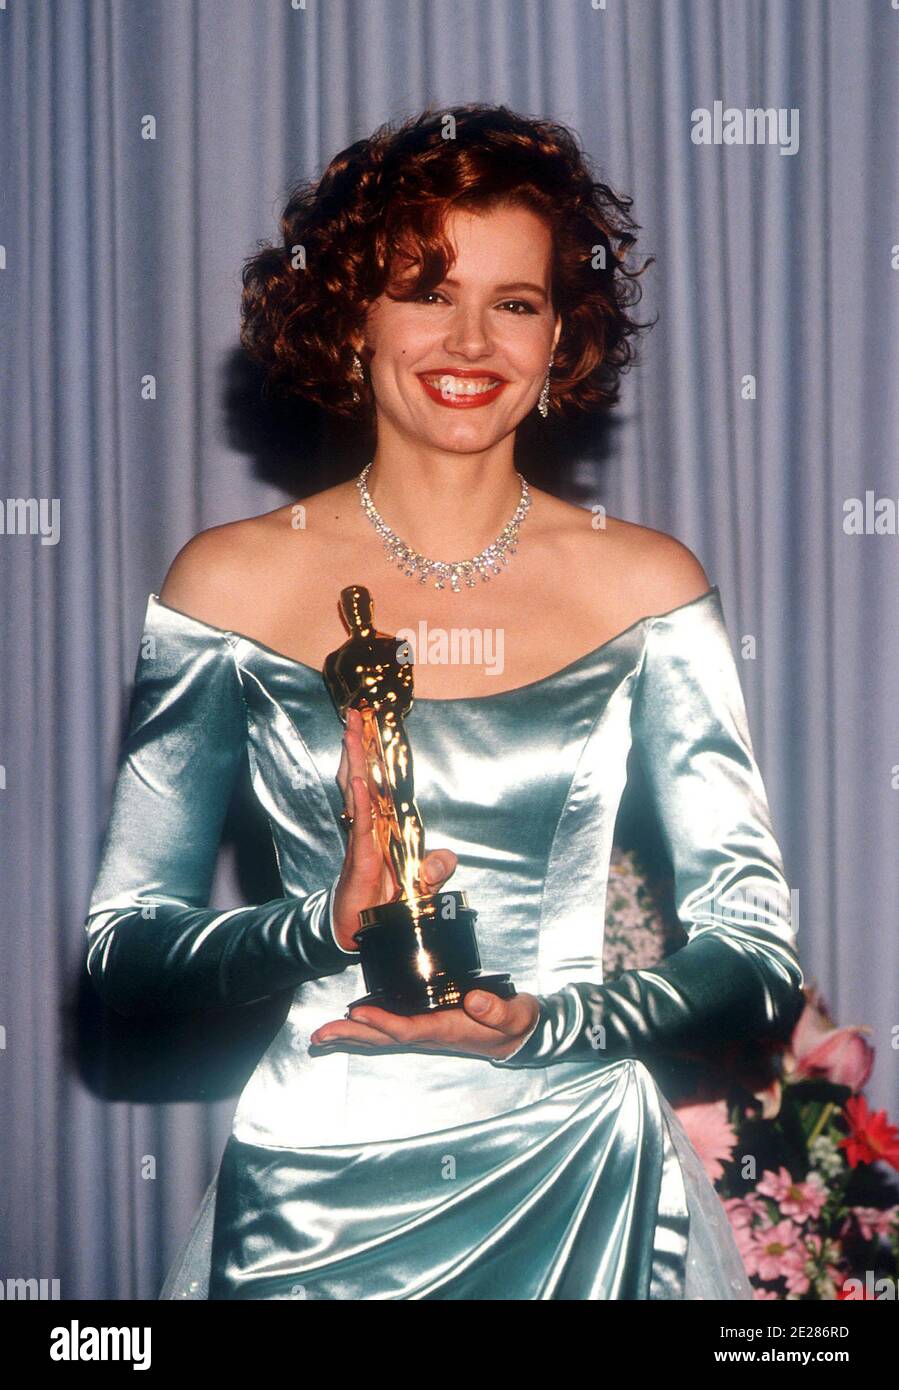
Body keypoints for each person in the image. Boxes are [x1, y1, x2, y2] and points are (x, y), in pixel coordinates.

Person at [83, 104, 804, 1300]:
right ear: (349, 312)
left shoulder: (647, 585)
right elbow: (125, 955)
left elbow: (756, 952)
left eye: (513, 301)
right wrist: (321, 924)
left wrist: (545, 1025)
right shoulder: (229, 581)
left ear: (557, 331)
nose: (469, 338)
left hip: (584, 1181)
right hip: (317, 1201)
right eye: (425, 289)